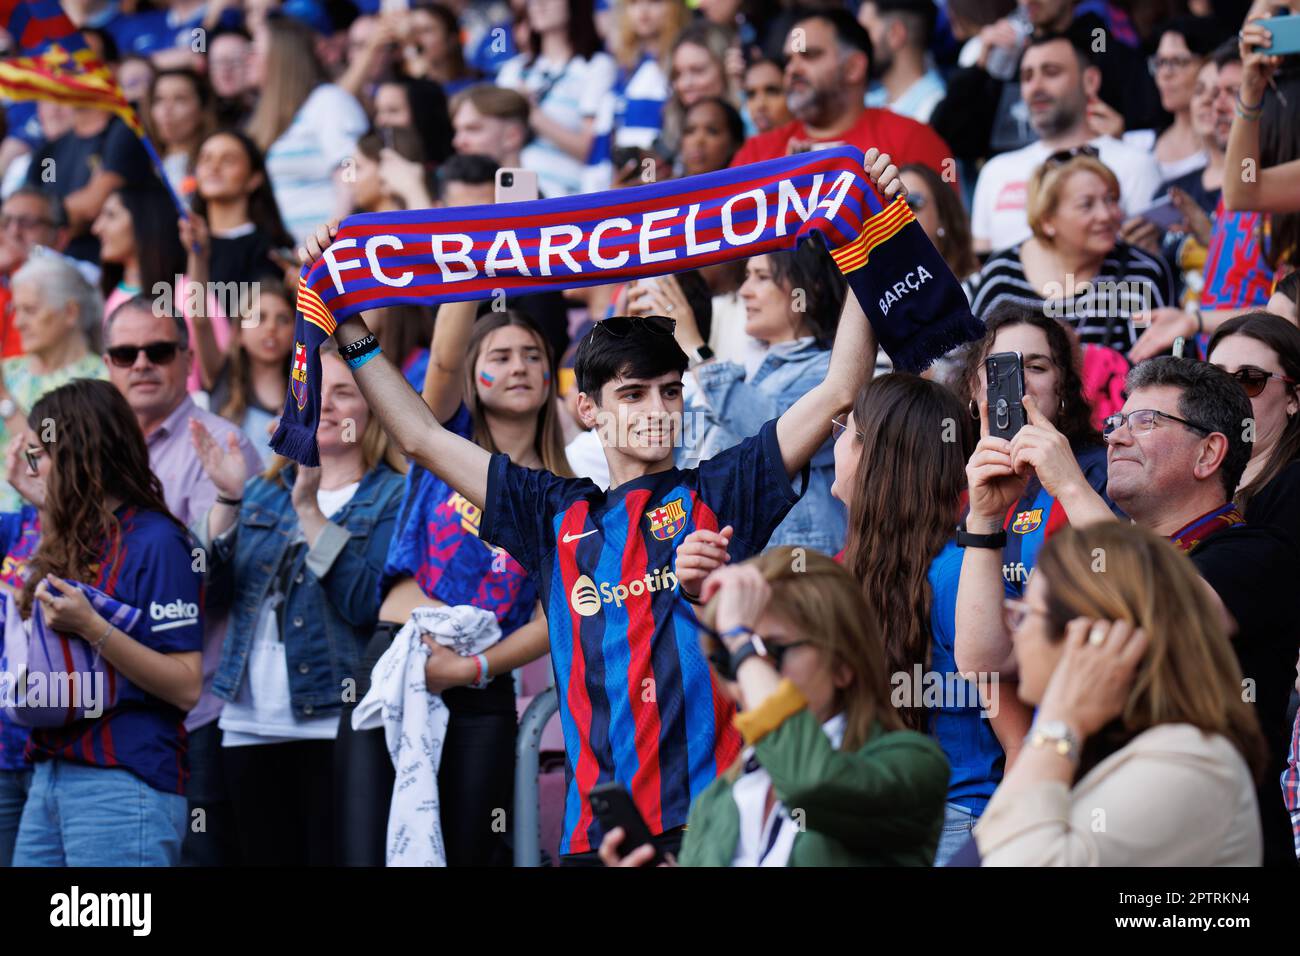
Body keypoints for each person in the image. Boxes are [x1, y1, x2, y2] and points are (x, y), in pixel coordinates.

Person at [297, 206, 876, 861]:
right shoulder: (550, 512)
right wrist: (347, 324)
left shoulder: (721, 489)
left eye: (669, 392)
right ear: (589, 409)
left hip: (712, 835)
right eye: (633, 395)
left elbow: (839, 390)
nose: (657, 412)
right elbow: (422, 438)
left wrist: (864, 243)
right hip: (595, 838)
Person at [960, 355, 1300, 865]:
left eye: (1147, 422)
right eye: (1117, 421)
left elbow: (1157, 607)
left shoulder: (1256, 554)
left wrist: (1071, 485)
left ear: (1209, 453)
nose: (1116, 436)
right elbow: (986, 663)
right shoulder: (1093, 563)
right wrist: (984, 520)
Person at [338, 302, 561, 867]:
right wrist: (467, 256)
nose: (519, 368)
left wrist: (469, 669)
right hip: (394, 661)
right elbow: (441, 356)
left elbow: (553, 617)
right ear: (473, 373)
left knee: (465, 856)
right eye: (501, 356)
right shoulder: (441, 437)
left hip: (482, 688)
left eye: (533, 356)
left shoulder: (566, 492)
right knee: (369, 853)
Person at [599, 547, 950, 867]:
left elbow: (812, 783)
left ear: (844, 664)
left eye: (770, 649)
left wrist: (738, 637)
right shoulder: (719, 798)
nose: (749, 669)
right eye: (732, 658)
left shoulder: (912, 763)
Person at [190, 347, 405, 866]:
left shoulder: (395, 496)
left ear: (373, 408)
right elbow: (205, 593)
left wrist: (309, 512)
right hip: (246, 723)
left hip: (336, 722)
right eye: (314, 395)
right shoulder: (262, 492)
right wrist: (227, 500)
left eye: (344, 394)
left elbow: (364, 604)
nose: (325, 408)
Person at [973, 521, 1267, 865]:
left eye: (1026, 615)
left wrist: (1058, 722)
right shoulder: (1097, 744)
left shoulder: (1187, 762)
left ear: (1092, 639)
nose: (1016, 634)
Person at [12, 379, 203, 867]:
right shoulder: (75, 536)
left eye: (41, 454)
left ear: (79, 454)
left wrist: (94, 626)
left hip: (122, 779)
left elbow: (185, 686)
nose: (33, 469)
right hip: (51, 772)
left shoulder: (157, 541)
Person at [102, 295, 261, 867]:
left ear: (187, 357)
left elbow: (208, 585)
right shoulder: (89, 454)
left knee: (198, 858)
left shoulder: (223, 445)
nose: (141, 363)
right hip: (107, 715)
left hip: (198, 712)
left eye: (159, 350)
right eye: (125, 353)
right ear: (107, 364)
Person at [828, 373, 999, 865]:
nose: (835, 444)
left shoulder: (959, 577)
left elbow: (1019, 733)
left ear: (873, 455)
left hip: (955, 823)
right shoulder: (849, 568)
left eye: (846, 431)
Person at [651, 243, 848, 554]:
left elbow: (773, 434)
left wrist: (696, 347)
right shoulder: (747, 369)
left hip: (789, 571)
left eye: (762, 277)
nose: (744, 290)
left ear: (809, 287)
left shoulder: (829, 372)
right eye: (746, 276)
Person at [969, 33, 1161, 256]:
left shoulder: (1135, 164)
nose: (1036, 86)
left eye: (1051, 72)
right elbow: (981, 269)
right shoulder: (995, 171)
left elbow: (1145, 271)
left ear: (1090, 81)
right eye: (1027, 77)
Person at [968, 152, 1176, 356]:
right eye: (1087, 205)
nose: (1106, 215)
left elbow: (1154, 372)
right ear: (1047, 220)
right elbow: (973, 357)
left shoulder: (1141, 273)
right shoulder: (1003, 271)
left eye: (1111, 200)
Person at [731, 10, 954, 185]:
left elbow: (948, 235)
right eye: (788, 60)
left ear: (853, 67)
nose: (792, 70)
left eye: (810, 55)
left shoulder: (914, 140)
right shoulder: (756, 153)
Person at [94, 183, 231, 392]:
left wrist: (198, 259)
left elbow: (220, 373)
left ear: (144, 222)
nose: (97, 228)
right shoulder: (112, 296)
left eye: (111, 216)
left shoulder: (186, 290)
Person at [246, 16, 369, 244]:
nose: (248, 57)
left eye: (255, 49)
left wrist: (330, 240)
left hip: (326, 257)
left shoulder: (328, 101)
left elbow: (351, 171)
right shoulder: (269, 116)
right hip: (291, 256)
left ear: (282, 57)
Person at [0, 253, 107, 511]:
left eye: (31, 310)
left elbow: (63, 467)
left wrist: (4, 401)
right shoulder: (8, 370)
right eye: (16, 309)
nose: (18, 322)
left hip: (49, 532)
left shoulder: (100, 381)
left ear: (70, 312)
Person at [495, 0, 615, 198]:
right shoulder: (512, 70)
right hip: (510, 191)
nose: (539, 5)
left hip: (565, 198)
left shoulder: (597, 66)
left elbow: (588, 150)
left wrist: (531, 112)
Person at [1206, 312, 1300, 539]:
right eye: (1215, 378)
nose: (1227, 393)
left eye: (1249, 379)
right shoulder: (1186, 471)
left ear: (1293, 400)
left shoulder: (1294, 487)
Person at [22, 107, 151, 263]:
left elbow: (91, 206)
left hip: (97, 266)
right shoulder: (49, 150)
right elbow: (24, 214)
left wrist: (39, 221)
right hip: (47, 264)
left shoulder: (122, 129)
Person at [587, 0, 688, 190]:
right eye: (634, 3)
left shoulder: (681, 66)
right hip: (617, 187)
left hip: (661, 190)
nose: (643, 10)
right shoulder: (622, 68)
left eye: (654, 2)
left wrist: (647, 186)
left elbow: (650, 151)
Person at [190, 130, 295, 290]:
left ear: (254, 179)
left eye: (228, 161)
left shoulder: (269, 252)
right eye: (206, 159)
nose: (214, 167)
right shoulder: (184, 242)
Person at [1121, 16, 1221, 183]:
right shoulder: (1139, 144)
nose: (1165, 74)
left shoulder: (1226, 144)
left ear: (1208, 65)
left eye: (1177, 61)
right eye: (1160, 62)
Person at [209, 278, 296, 467]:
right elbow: (200, 322)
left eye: (283, 319)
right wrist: (197, 255)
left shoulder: (307, 395)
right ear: (239, 333)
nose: (272, 327)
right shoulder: (221, 377)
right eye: (259, 318)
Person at [660, 21, 737, 164]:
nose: (685, 84)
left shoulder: (754, 124)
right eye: (677, 74)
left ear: (726, 70)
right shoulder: (668, 138)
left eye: (698, 71)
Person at [859, 0, 946, 124]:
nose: (858, 45)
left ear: (895, 34)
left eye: (866, 32)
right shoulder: (867, 103)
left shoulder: (935, 109)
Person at [898, 162, 980, 282]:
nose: (902, 213)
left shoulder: (979, 285)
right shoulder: (877, 294)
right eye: (893, 207)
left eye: (912, 202)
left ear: (942, 215)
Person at [148, 68, 215, 203]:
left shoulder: (213, 168)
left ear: (202, 110)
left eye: (180, 99)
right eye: (159, 99)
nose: (167, 109)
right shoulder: (145, 166)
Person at [371, 77, 454, 167]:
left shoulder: (452, 170)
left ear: (424, 114)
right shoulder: (369, 160)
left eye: (393, 110)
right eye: (378, 111)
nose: (380, 121)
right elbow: (352, 174)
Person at [450, 84, 531, 168]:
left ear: (512, 136)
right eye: (457, 131)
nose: (458, 142)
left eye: (472, 129)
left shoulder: (541, 179)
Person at [678, 96, 745, 178]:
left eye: (712, 131)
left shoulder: (752, 190)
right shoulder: (661, 189)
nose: (698, 140)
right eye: (690, 131)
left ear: (735, 143)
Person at [206, 26, 257, 127]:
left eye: (235, 61)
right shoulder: (201, 114)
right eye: (218, 63)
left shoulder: (266, 110)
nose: (225, 71)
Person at [740, 54, 791, 135]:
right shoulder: (748, 147)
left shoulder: (813, 145)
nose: (760, 105)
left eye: (772, 92)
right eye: (751, 95)